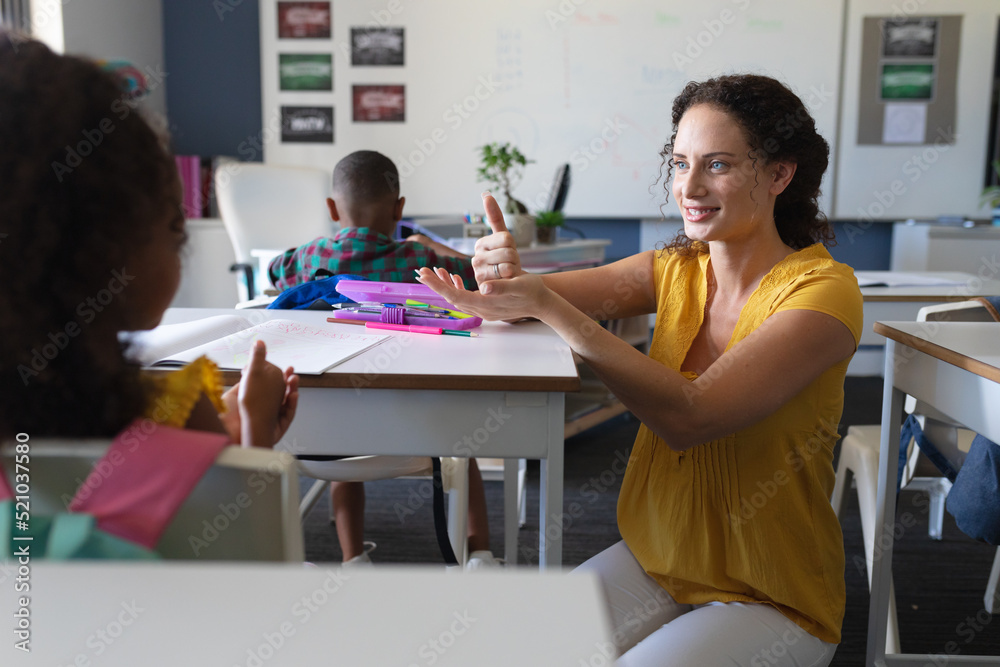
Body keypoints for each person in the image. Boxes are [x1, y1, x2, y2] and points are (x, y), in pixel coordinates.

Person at [416, 74, 863, 665]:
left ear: (780, 174)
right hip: (660, 558)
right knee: (510, 649)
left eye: (719, 165)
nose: (690, 187)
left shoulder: (824, 293)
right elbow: (530, 300)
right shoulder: (673, 268)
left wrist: (547, 307)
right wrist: (500, 281)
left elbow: (692, 415)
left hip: (771, 593)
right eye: (680, 164)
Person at [0, 34, 299, 547]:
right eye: (172, 228)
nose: (179, 243)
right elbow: (244, 562)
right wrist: (255, 435)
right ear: (107, 251)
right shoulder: (177, 420)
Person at [269, 150, 496, 567]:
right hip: (419, 423)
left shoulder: (309, 257)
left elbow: (273, 271)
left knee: (345, 434)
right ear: (400, 209)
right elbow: (477, 274)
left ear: (332, 209)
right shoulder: (418, 260)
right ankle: (480, 553)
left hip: (330, 431)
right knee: (467, 452)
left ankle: (353, 557)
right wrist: (429, 243)